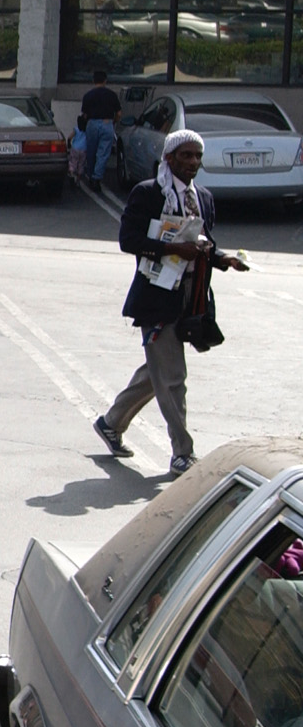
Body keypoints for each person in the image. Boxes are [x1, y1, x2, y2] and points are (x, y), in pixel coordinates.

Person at [94, 129, 247, 475]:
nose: (192, 162)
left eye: (197, 156)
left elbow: (206, 242)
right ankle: (182, 452)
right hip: (156, 298)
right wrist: (173, 249)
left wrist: (224, 259)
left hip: (191, 299)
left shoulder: (203, 197)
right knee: (173, 376)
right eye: (186, 155)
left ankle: (111, 422)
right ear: (169, 158)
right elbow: (128, 239)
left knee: (158, 373)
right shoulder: (149, 194)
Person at [78, 69, 121, 191]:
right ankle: (97, 178)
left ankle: (90, 174)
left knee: (91, 151)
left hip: (92, 123)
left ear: (93, 81)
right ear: (105, 80)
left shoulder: (88, 96)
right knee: (103, 153)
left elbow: (84, 114)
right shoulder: (111, 95)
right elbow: (119, 113)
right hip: (107, 123)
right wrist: (113, 122)